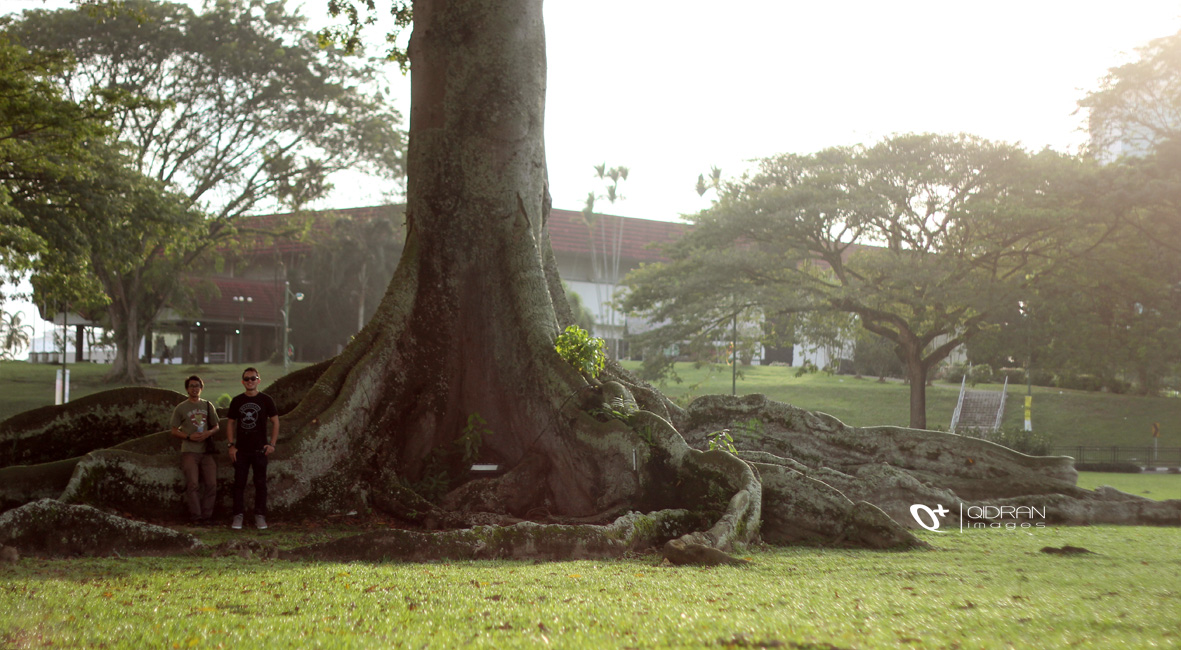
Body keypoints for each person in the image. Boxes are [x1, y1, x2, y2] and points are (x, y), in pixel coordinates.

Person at [226, 367, 279, 530]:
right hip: (241, 450)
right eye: (247, 379)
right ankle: (238, 516)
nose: (250, 381)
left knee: (261, 484)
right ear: (243, 382)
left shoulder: (266, 400)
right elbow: (230, 423)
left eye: (253, 378)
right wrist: (231, 445)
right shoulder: (237, 401)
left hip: (260, 450)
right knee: (239, 484)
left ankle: (260, 516)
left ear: (258, 380)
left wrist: (272, 444)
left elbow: (275, 422)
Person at [170, 375, 220, 524]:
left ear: (201, 388)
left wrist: (208, 433)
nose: (194, 388)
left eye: (197, 386)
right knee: (193, 485)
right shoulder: (181, 408)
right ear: (187, 389)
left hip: (206, 451)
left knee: (211, 484)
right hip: (190, 450)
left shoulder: (207, 405)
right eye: (191, 386)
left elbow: (216, 426)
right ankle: (196, 517)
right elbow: (173, 430)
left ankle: (207, 516)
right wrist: (188, 436)